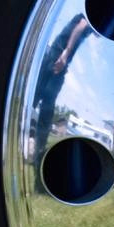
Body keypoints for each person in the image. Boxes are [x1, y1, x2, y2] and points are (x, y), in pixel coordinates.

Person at [33, 13, 91, 175]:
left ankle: (37, 155)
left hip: (58, 60)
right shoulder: (85, 20)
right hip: (57, 58)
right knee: (42, 103)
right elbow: (82, 26)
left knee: (44, 106)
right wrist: (66, 53)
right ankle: (35, 153)